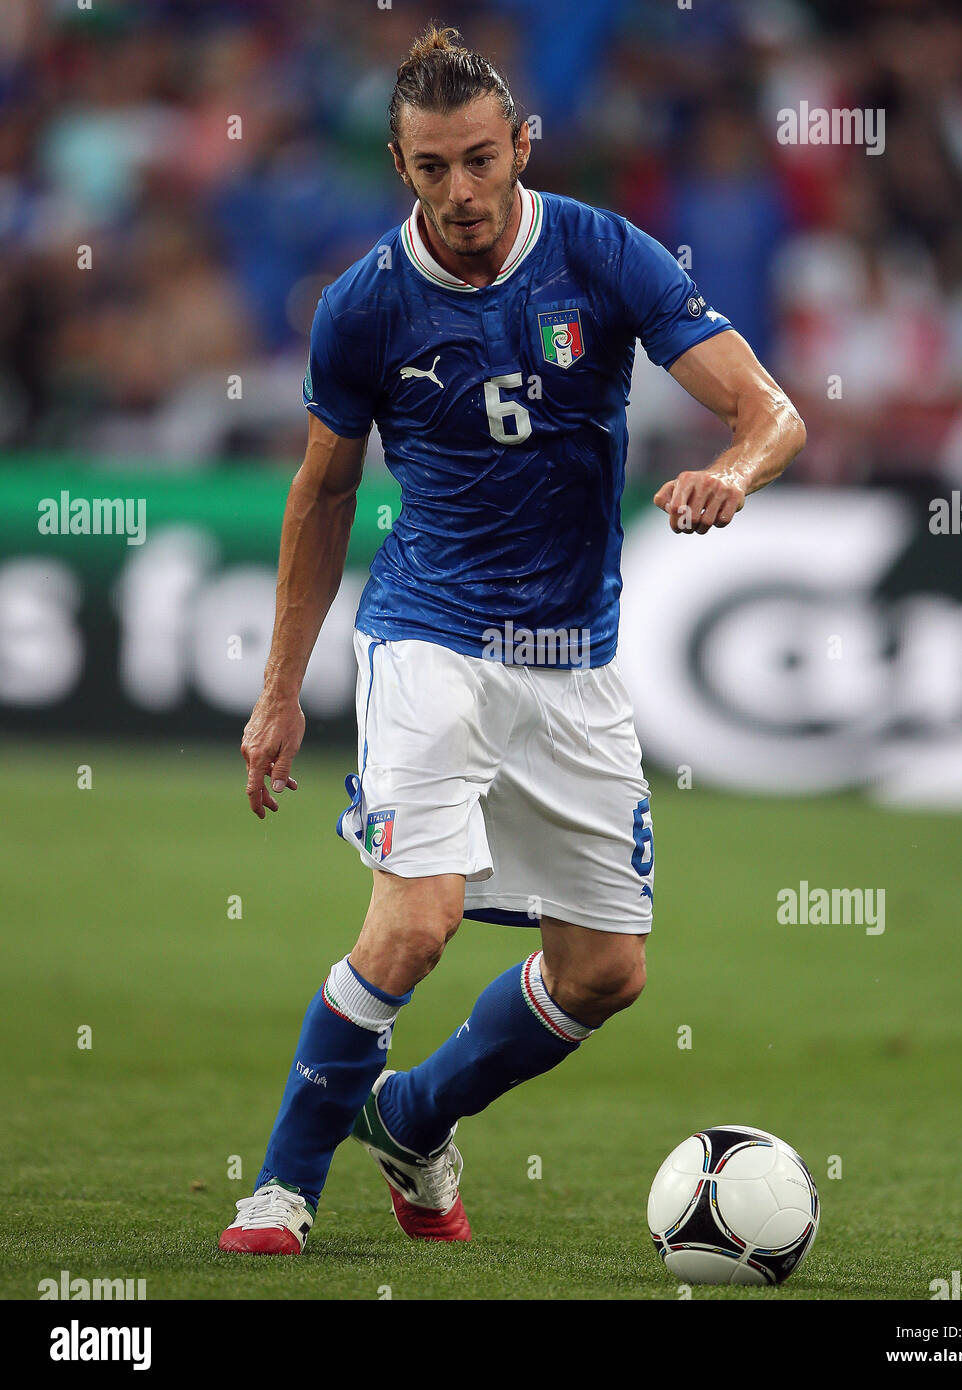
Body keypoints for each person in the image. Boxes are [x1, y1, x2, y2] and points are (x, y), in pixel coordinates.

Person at [219, 24, 805, 1255]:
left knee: (605, 973)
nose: (461, 193)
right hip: (429, 639)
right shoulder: (365, 305)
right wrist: (280, 691)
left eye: (481, 161)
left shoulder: (602, 255)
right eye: (432, 169)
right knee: (415, 920)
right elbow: (322, 495)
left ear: (522, 146)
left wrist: (734, 474)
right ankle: (278, 1188)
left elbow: (770, 410)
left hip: (572, 659)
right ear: (399, 164)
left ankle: (413, 1116)